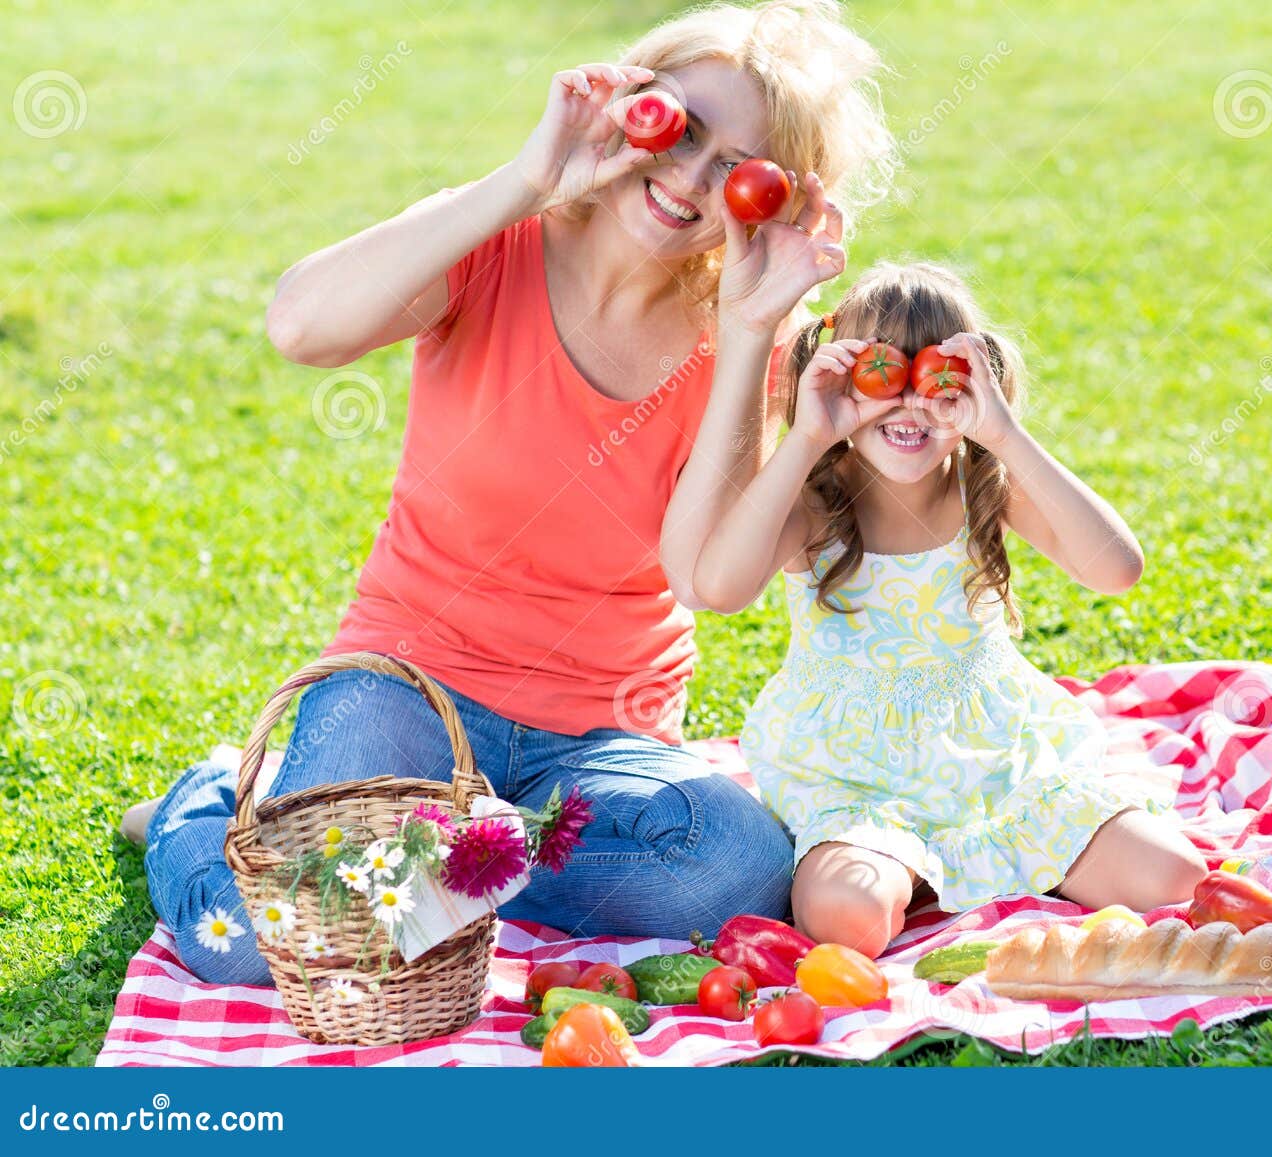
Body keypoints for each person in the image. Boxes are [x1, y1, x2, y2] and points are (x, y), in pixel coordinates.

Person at [125, 0, 899, 984]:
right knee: (263, 942)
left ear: (776, 202)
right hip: (406, 684)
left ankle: (432, 858)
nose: (690, 178)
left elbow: (705, 578)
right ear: (626, 105)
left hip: (598, 737)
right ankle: (206, 801)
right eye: (679, 129)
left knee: (737, 865)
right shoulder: (497, 242)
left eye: (738, 172)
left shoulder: (747, 331)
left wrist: (752, 335)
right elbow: (300, 326)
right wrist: (527, 178)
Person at [691, 261, 1209, 958]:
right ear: (841, 379)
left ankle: (976, 863)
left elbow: (1117, 569)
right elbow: (721, 588)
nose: (909, 408)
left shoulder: (982, 481)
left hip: (996, 760)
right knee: (849, 916)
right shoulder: (817, 497)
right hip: (856, 773)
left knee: (1176, 877)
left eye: (935, 381)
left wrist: (1003, 435)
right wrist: (808, 436)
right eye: (882, 378)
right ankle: (924, 866)